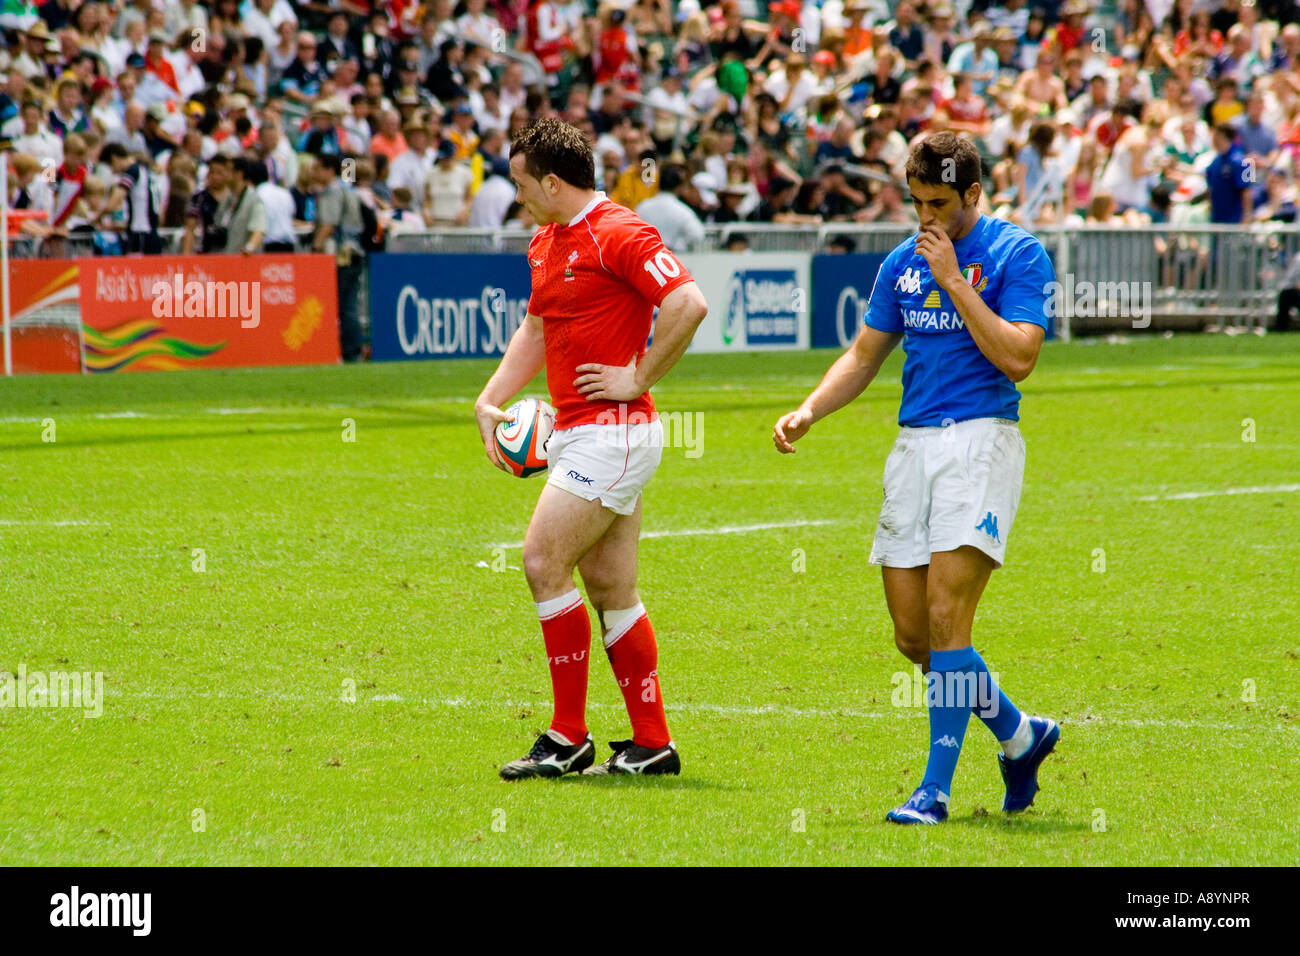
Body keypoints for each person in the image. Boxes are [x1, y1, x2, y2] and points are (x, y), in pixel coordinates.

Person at [771, 132, 1060, 825]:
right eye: (917, 202)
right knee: (914, 638)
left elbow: (1019, 357)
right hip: (912, 447)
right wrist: (811, 409)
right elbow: (864, 353)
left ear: (974, 195)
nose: (926, 217)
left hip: (981, 442)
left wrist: (956, 279)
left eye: (939, 203)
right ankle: (1021, 738)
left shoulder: (1018, 254)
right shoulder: (902, 264)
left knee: (946, 618)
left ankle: (933, 791)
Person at [475, 118, 708, 779]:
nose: (517, 196)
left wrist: (637, 376)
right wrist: (489, 401)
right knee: (609, 586)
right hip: (581, 431)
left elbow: (688, 304)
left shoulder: (620, 232)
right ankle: (652, 743)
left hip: (616, 433)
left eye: (522, 184)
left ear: (552, 181)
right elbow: (538, 326)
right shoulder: (545, 242)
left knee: (542, 560)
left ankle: (567, 735)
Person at [311, 152, 365, 362]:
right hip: (355, 251)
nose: (314, 172)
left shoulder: (331, 192)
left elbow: (329, 223)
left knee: (343, 306)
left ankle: (349, 351)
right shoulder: (349, 189)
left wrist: (316, 247)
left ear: (329, 170)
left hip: (341, 254)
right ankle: (354, 350)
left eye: (317, 167)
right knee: (349, 304)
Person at [634, 164, 705, 251]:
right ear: (679, 187)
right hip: (672, 257)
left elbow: (634, 234)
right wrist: (680, 243)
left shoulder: (642, 207)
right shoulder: (682, 211)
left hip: (646, 256)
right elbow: (697, 235)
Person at [215, 156, 267, 255]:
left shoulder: (253, 200)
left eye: (227, 170)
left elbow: (259, 230)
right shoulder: (226, 200)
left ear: (238, 174)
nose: (224, 174)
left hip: (243, 261)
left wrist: (249, 248)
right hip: (225, 258)